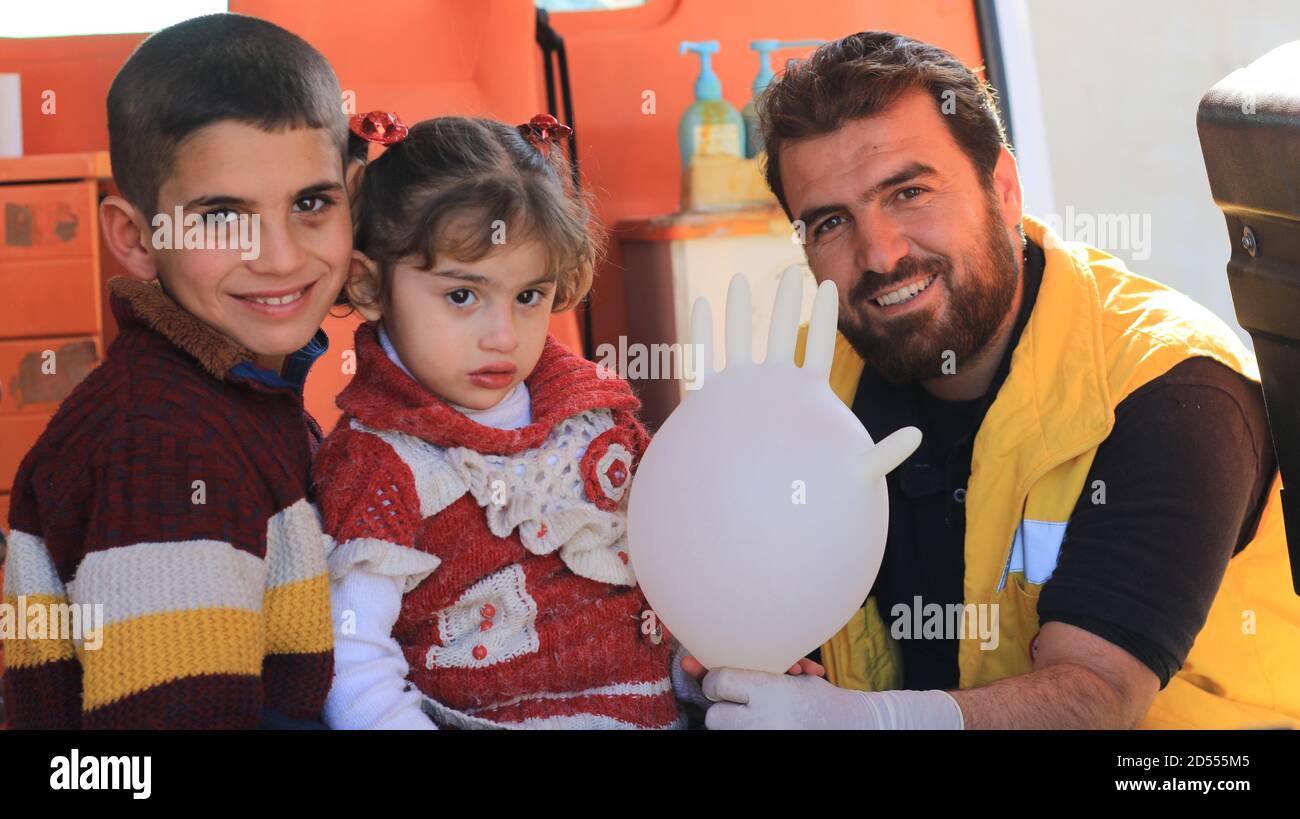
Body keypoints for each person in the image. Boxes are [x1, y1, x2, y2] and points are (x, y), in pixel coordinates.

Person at [689, 30, 1300, 729]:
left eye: (910, 192)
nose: (881, 253)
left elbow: (1094, 698)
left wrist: (866, 721)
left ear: (1003, 188)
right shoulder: (811, 379)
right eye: (831, 222)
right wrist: (725, 655)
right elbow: (768, 596)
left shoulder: (1174, 390)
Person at [2, 13, 356, 728]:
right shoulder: (162, 445)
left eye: (311, 204)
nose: (282, 257)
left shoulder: (242, 391)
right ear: (135, 239)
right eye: (224, 216)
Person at [316, 113, 714, 728]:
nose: (502, 337)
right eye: (462, 296)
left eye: (529, 296)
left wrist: (721, 667)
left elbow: (666, 585)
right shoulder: (382, 462)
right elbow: (353, 661)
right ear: (370, 287)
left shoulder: (598, 421)